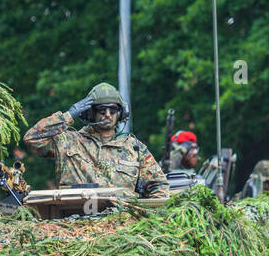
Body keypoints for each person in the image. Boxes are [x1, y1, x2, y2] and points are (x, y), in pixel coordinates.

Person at [22, 83, 168, 196]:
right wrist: (68, 116)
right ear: (90, 113)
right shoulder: (68, 141)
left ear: (121, 114)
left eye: (113, 111)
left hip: (122, 224)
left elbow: (158, 185)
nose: (108, 115)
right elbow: (32, 138)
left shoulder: (134, 148)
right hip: (72, 222)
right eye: (102, 111)